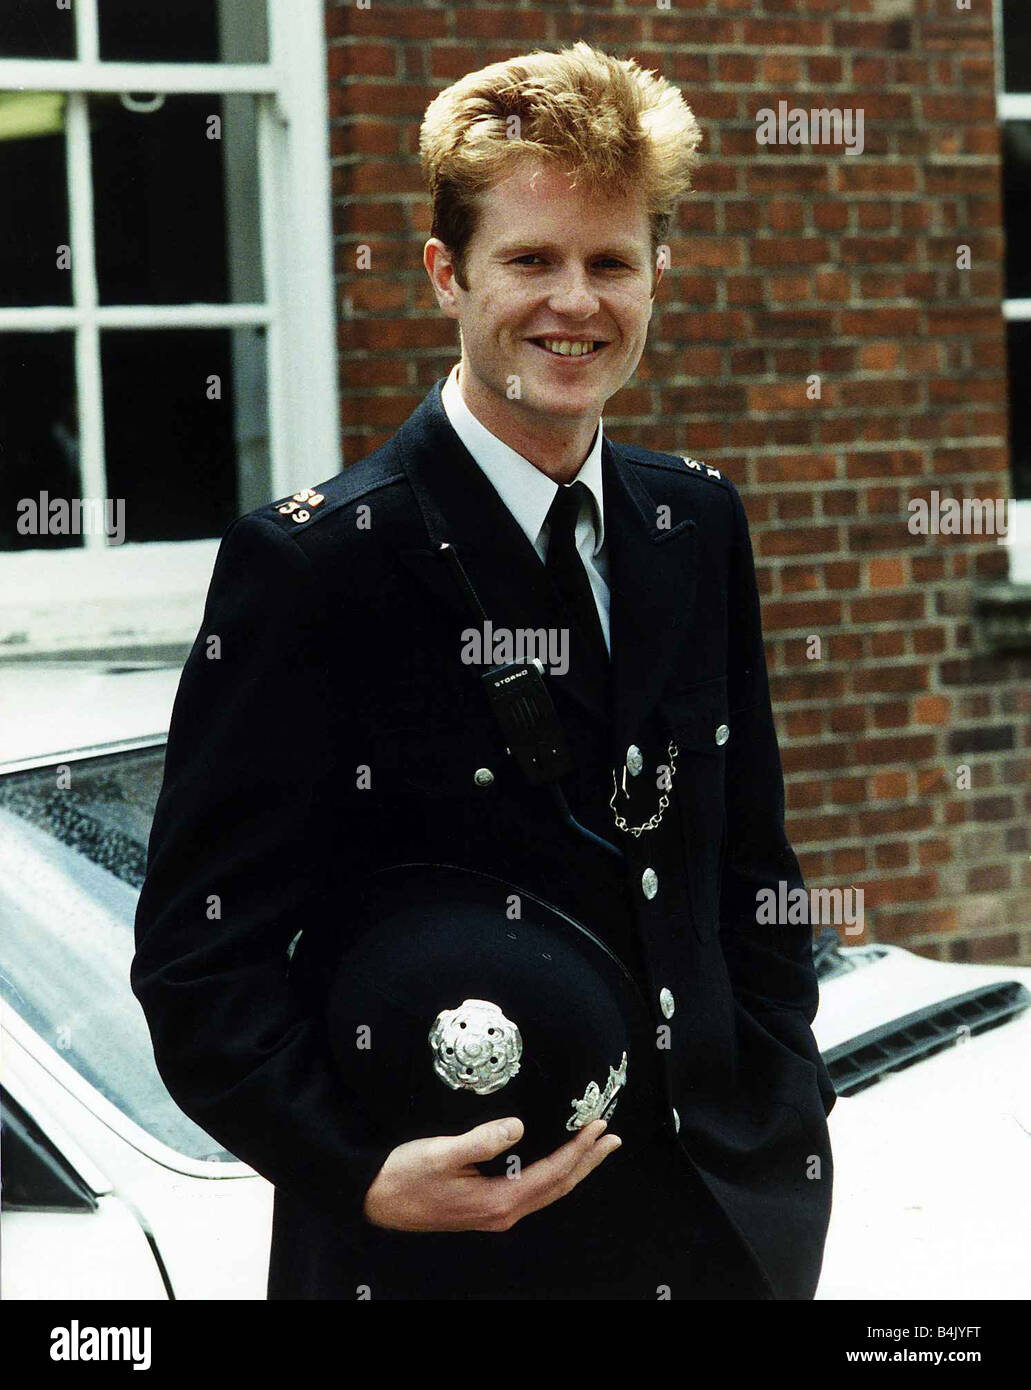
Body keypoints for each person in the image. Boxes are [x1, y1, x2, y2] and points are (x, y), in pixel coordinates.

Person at [131, 42, 836, 1301]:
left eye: (610, 261)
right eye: (530, 259)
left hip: (714, 1235)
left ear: (656, 277)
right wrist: (356, 1170)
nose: (575, 302)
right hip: (439, 1259)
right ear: (444, 274)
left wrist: (777, 1101)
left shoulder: (696, 525)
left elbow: (748, 866)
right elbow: (200, 959)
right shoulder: (311, 567)